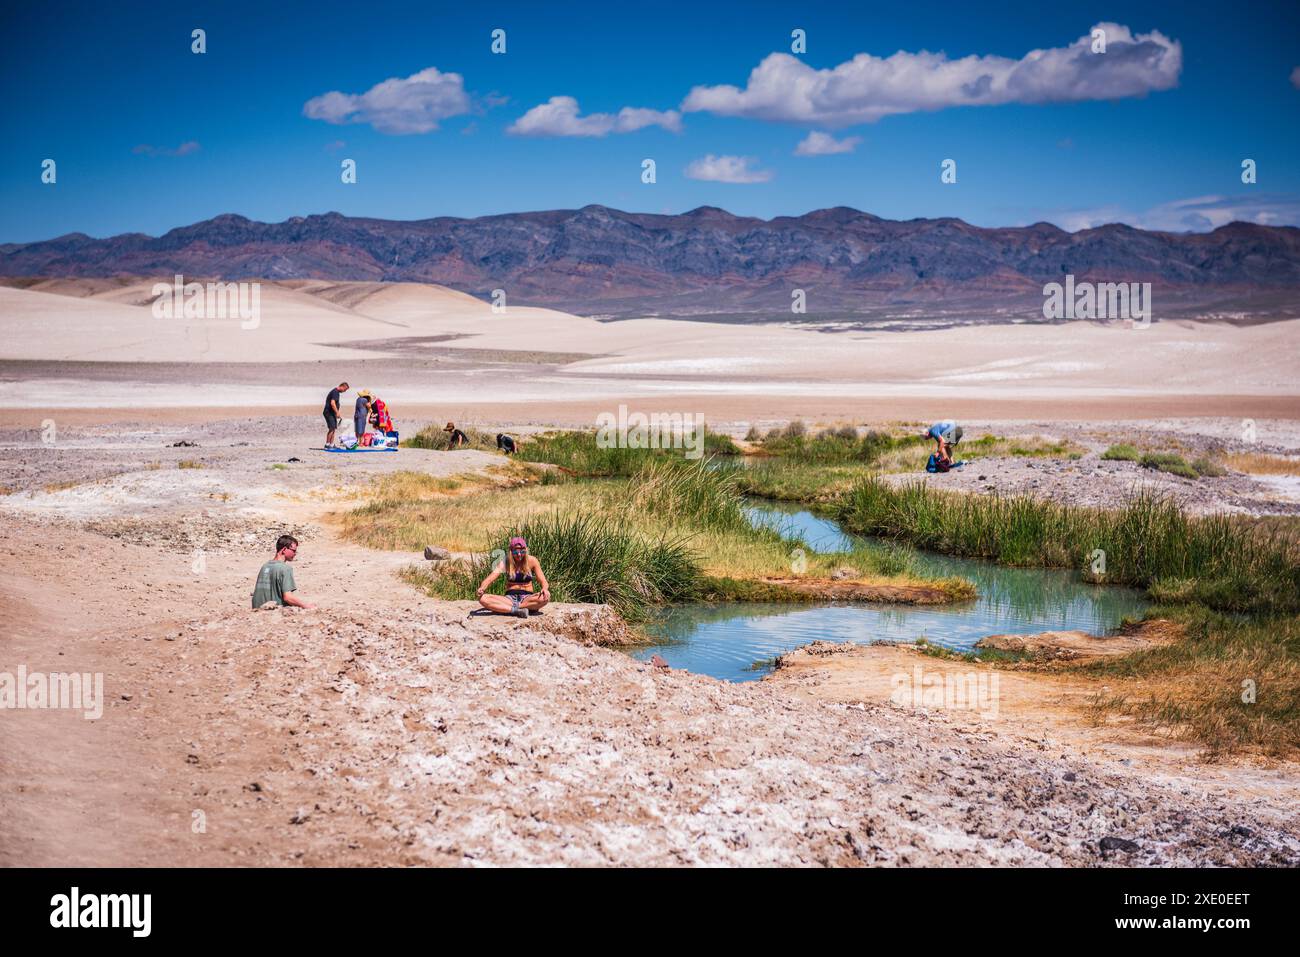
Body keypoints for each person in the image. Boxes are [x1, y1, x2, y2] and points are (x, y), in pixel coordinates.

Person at [476, 537, 550, 618]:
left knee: (545, 597)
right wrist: (482, 588)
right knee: (483, 599)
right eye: (515, 552)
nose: (519, 554)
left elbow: (543, 581)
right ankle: (518, 610)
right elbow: (490, 578)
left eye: (522, 551)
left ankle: (508, 609)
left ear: (526, 550)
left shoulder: (532, 561)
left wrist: (544, 589)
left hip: (527, 598)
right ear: (511, 551)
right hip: (509, 599)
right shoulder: (505, 562)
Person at [251, 534, 312, 609]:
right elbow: (288, 598)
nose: (295, 554)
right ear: (284, 550)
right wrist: (306, 606)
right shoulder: (285, 569)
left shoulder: (265, 566)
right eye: (293, 551)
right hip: (273, 614)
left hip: (256, 611)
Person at [323, 381, 349, 448]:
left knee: (334, 428)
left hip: (332, 413)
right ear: (342, 386)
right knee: (331, 428)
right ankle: (327, 444)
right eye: (345, 389)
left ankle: (331, 444)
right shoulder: (335, 392)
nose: (344, 391)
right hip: (329, 412)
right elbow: (332, 403)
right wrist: (337, 412)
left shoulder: (336, 392)